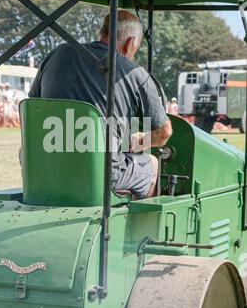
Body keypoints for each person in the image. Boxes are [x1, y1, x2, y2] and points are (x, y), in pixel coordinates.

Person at [29, 10, 172, 199]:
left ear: (102, 32)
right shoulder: (136, 74)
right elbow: (164, 133)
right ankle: (137, 226)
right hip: (100, 174)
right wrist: (142, 140)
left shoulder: (57, 54)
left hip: (46, 166)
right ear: (131, 43)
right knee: (152, 163)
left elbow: (31, 109)